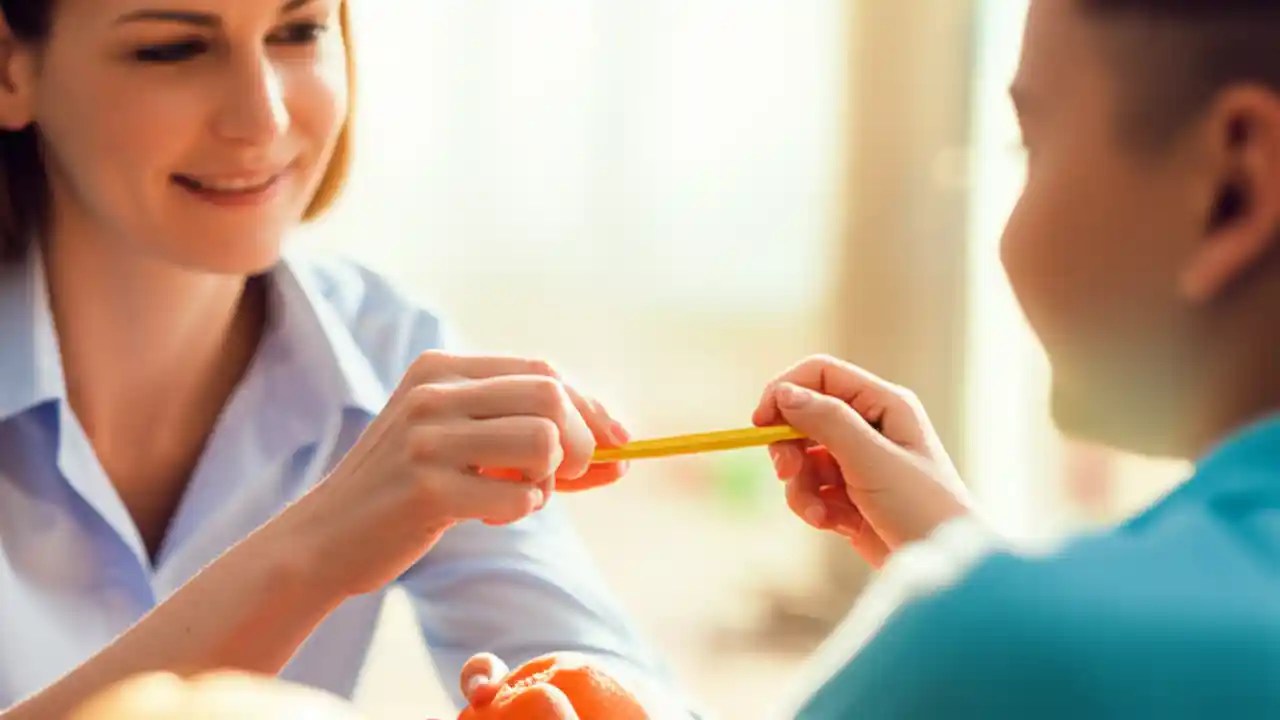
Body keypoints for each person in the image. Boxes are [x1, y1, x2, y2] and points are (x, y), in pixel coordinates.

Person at [0, 1, 696, 718]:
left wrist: (582, 699)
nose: (263, 116)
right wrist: (316, 551)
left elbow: (603, 669)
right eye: (174, 49)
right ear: (9, 68)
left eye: (297, 33)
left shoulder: (391, 351)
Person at [755, 0, 1280, 717]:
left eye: (1028, 143)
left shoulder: (1000, 645)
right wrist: (961, 551)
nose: (1007, 239)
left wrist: (544, 561)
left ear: (1232, 188)